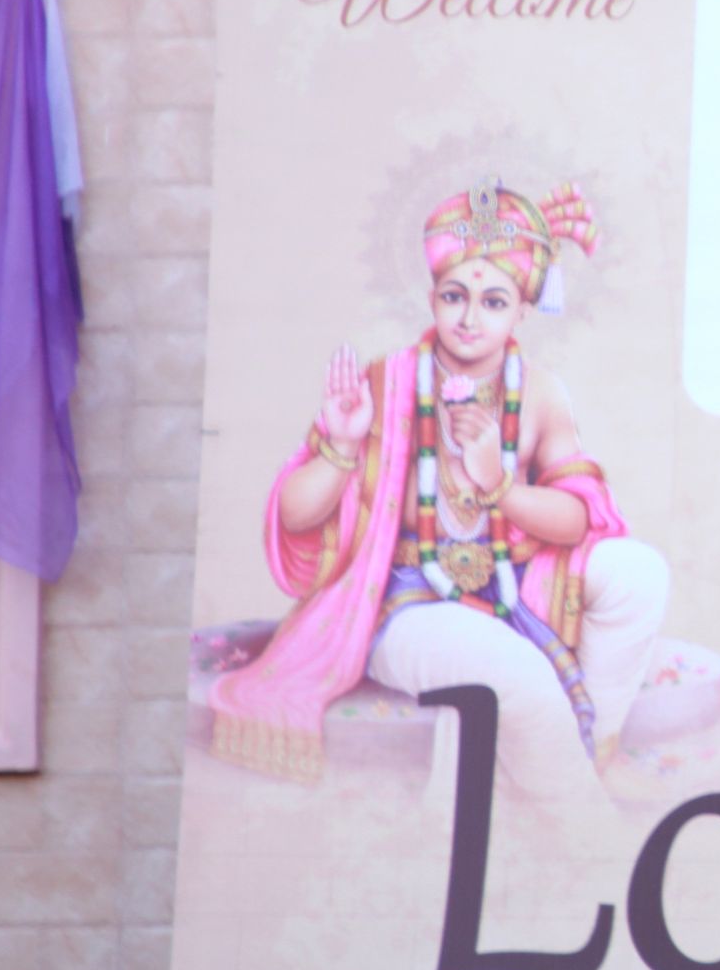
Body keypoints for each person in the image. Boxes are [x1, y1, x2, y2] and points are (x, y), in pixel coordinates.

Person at [210, 177, 670, 805]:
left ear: (521, 312)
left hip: (511, 583)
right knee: (518, 675)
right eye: (455, 296)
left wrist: (498, 484)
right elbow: (296, 516)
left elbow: (576, 522)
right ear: (431, 297)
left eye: (493, 301)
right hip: (406, 603)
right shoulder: (387, 382)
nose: (470, 317)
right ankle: (585, 831)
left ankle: (596, 753)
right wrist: (343, 445)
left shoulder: (538, 393)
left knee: (639, 572)